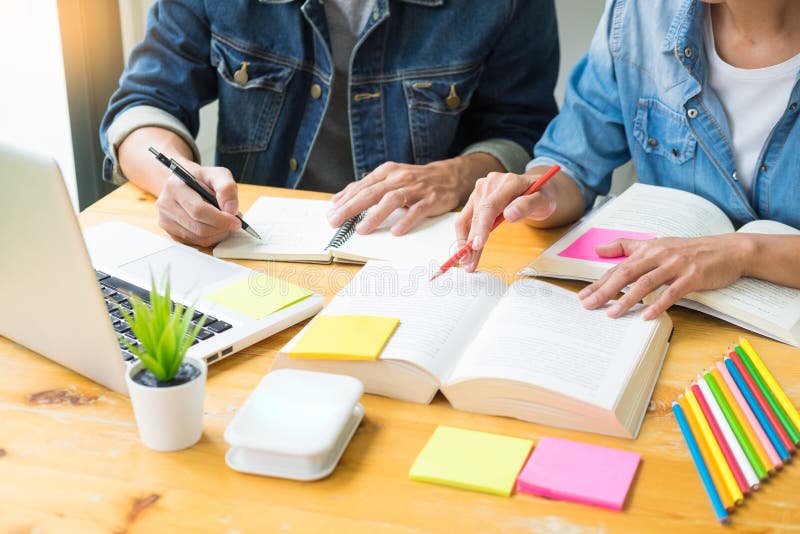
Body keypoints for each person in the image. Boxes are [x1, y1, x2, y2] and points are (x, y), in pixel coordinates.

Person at [100, 0, 559, 247]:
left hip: (416, 251)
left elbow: (524, 131)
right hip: (252, 251)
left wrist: (458, 175)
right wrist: (175, 180)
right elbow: (142, 106)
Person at [457, 0, 800, 320]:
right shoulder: (638, 13)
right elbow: (571, 164)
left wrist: (744, 253)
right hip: (671, 316)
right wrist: (538, 194)